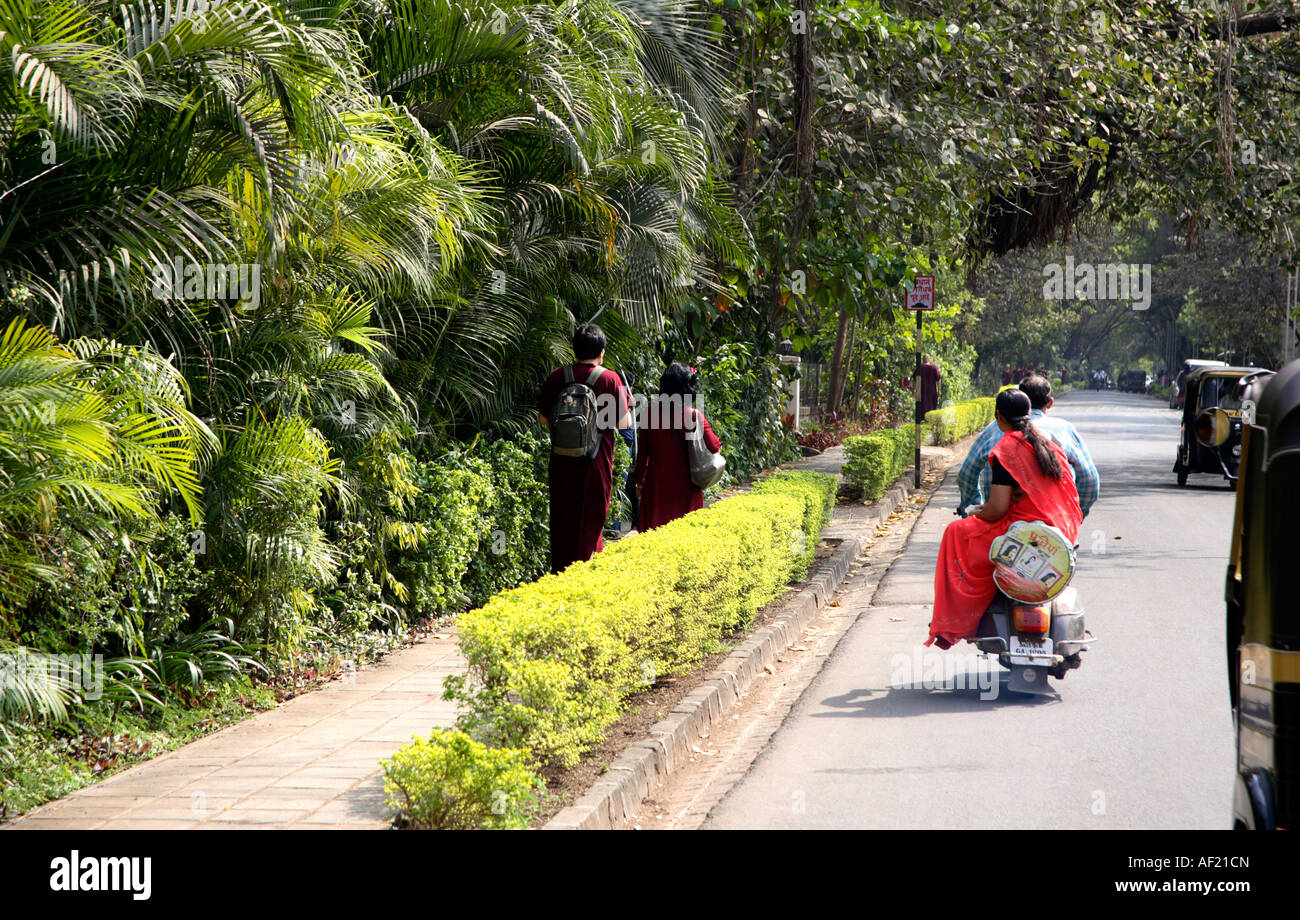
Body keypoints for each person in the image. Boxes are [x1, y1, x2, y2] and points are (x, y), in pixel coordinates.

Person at [928, 389, 1083, 649]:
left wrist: (977, 510)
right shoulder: (1048, 439)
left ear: (999, 418)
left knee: (956, 531)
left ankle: (954, 623)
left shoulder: (1007, 448)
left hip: (1025, 531)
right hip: (1060, 530)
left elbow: (997, 509)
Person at [537, 323, 631, 573]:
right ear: (601, 351)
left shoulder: (558, 376)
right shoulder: (610, 378)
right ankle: (584, 582)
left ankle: (559, 577)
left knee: (563, 522)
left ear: (574, 349)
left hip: (561, 463)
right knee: (590, 524)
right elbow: (624, 423)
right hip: (595, 463)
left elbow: (543, 419)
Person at [957, 374, 1100, 518]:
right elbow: (1090, 480)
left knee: (955, 531)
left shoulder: (1002, 447)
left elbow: (968, 475)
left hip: (1005, 524)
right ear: (1049, 403)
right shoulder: (1059, 435)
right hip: (1056, 523)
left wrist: (971, 509)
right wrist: (1075, 515)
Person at [633, 363, 722, 532]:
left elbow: (643, 454)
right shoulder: (694, 416)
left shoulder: (650, 414)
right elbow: (714, 446)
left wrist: (639, 483)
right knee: (685, 536)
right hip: (686, 487)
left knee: (654, 536)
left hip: (656, 487)